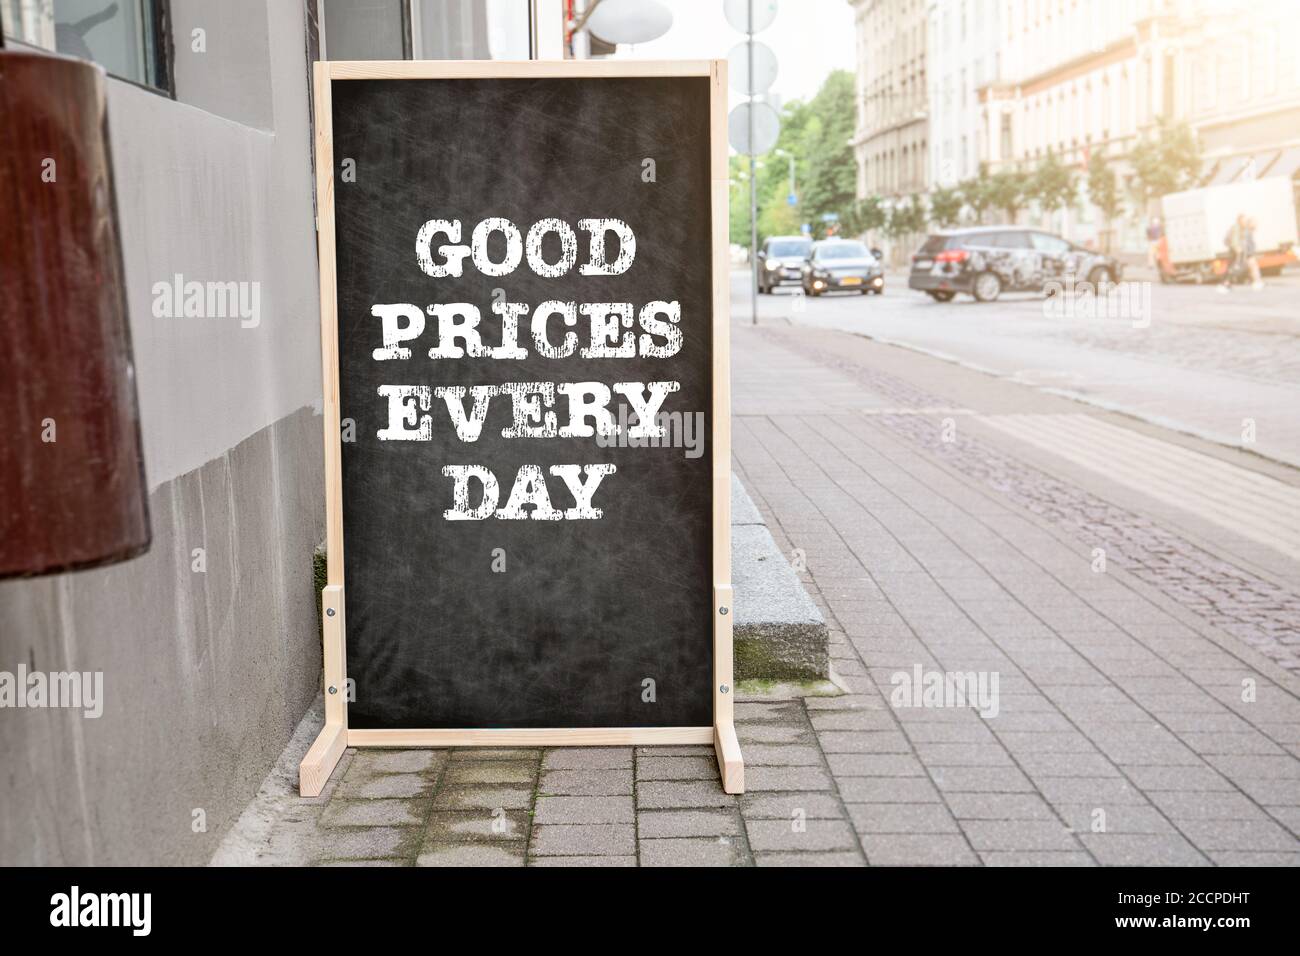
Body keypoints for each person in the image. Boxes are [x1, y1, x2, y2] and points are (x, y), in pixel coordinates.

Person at [1217, 214, 1246, 294]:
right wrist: (1238, 249)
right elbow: (1235, 240)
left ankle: (1225, 284)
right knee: (1232, 268)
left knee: (1231, 267)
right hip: (1234, 250)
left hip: (1233, 250)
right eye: (1244, 220)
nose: (1245, 222)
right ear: (1240, 220)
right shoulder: (1236, 228)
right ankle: (1225, 284)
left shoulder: (1239, 227)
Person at [1244, 216, 1263, 290]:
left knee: (1252, 268)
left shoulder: (1249, 232)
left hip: (1249, 254)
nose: (1255, 225)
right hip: (1249, 254)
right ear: (1249, 224)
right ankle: (1257, 282)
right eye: (1254, 223)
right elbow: (1247, 244)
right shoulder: (1247, 232)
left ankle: (1255, 282)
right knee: (1254, 268)